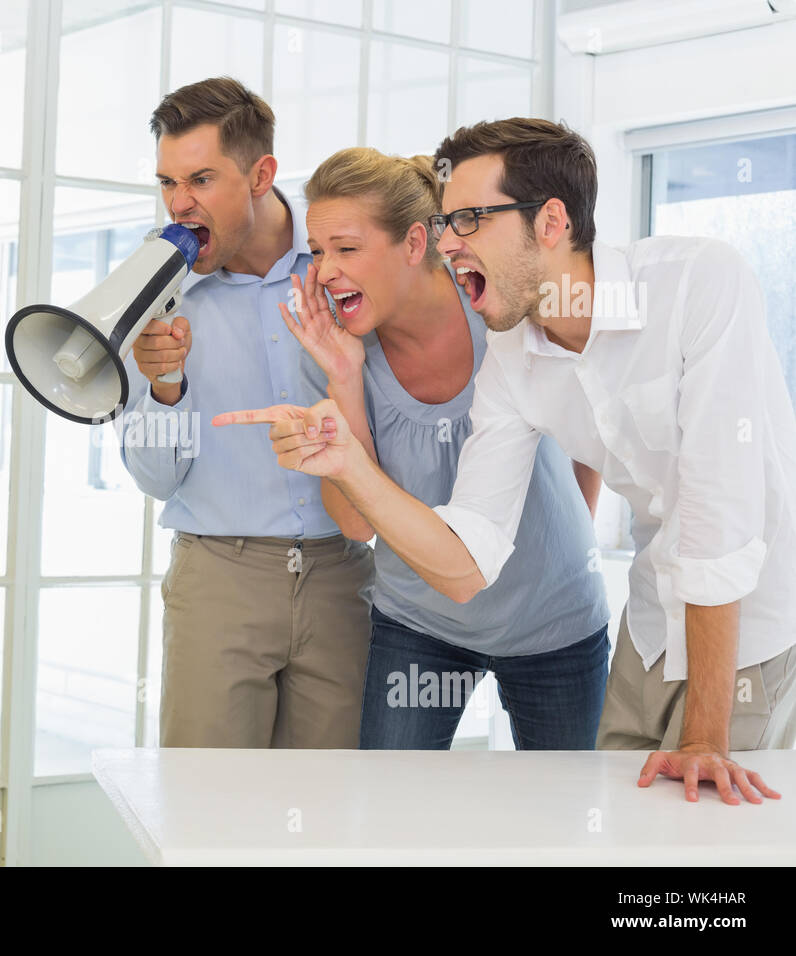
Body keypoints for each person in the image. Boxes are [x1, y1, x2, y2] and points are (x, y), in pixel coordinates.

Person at [219, 118, 796, 804]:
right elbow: (467, 563)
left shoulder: (699, 282)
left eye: (468, 219)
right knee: (603, 834)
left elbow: (717, 517)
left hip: (755, 633)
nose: (447, 240)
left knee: (706, 866)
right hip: (649, 631)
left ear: (549, 221)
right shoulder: (514, 357)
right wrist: (348, 461)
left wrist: (704, 735)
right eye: (445, 220)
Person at [269, 146, 610, 749]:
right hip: (419, 621)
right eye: (318, 252)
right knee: (391, 822)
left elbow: (585, 419)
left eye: (347, 249)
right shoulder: (329, 348)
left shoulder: (498, 308)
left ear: (415, 244)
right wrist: (345, 377)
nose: (324, 272)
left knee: (569, 821)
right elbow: (353, 523)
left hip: (553, 618)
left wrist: (572, 530)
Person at [120, 76, 375, 748]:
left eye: (201, 179)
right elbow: (152, 479)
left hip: (346, 577)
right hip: (218, 582)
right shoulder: (149, 286)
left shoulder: (342, 263)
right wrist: (164, 385)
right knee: (207, 817)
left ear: (261, 174)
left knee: (330, 817)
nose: (179, 204)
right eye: (168, 182)